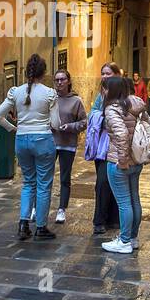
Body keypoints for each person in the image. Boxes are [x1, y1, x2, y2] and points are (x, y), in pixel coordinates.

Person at [0, 53, 59, 240]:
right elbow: (55, 124)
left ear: (26, 72)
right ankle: (41, 226)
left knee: (28, 182)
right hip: (43, 140)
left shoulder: (16, 92)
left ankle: (23, 224)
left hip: (22, 140)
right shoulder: (49, 93)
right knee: (44, 184)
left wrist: (14, 128)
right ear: (44, 72)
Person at [100, 75, 147, 254]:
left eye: (105, 88)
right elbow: (148, 126)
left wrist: (122, 159)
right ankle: (132, 238)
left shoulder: (112, 109)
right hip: (136, 160)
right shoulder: (136, 105)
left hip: (119, 162)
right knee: (134, 198)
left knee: (124, 203)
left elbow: (120, 135)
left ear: (111, 90)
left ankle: (125, 241)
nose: (103, 91)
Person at [89, 61, 123, 235]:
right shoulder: (100, 96)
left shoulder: (124, 95)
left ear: (117, 75)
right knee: (102, 182)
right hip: (102, 146)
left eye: (108, 73)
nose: (104, 76)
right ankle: (99, 220)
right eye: (103, 73)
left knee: (115, 181)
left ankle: (113, 219)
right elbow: (92, 114)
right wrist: (102, 115)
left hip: (118, 146)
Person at [50, 68, 87, 225]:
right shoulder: (51, 99)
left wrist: (70, 127)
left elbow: (84, 122)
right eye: (57, 80)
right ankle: (37, 207)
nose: (59, 82)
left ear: (68, 81)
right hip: (50, 142)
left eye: (62, 79)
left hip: (67, 144)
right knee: (45, 177)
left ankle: (61, 209)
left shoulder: (76, 101)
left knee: (65, 177)